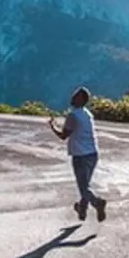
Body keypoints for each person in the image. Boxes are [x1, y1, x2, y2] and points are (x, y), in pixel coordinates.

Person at [49, 86, 106, 222]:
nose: (73, 97)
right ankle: (82, 208)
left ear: (81, 99)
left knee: (83, 187)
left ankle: (97, 202)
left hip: (80, 155)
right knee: (85, 185)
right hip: (93, 153)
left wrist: (52, 126)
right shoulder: (87, 114)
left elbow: (63, 136)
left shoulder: (73, 115)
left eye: (76, 96)